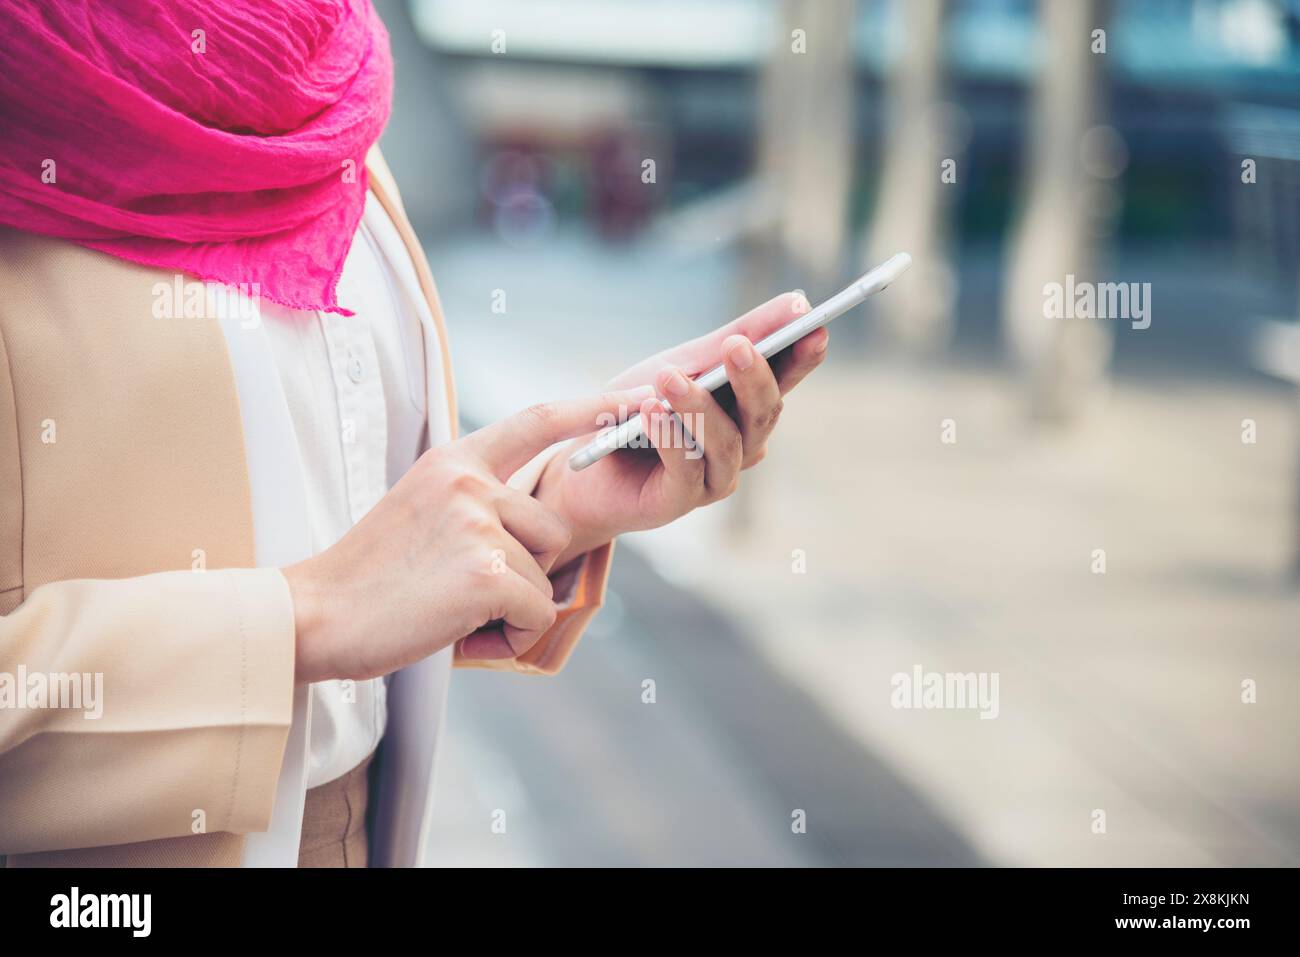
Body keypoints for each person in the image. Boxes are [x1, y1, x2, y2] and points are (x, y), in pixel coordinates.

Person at [0, 0, 830, 866]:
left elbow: (336, 519)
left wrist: (544, 509)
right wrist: (304, 618)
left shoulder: (324, 61)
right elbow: (337, 593)